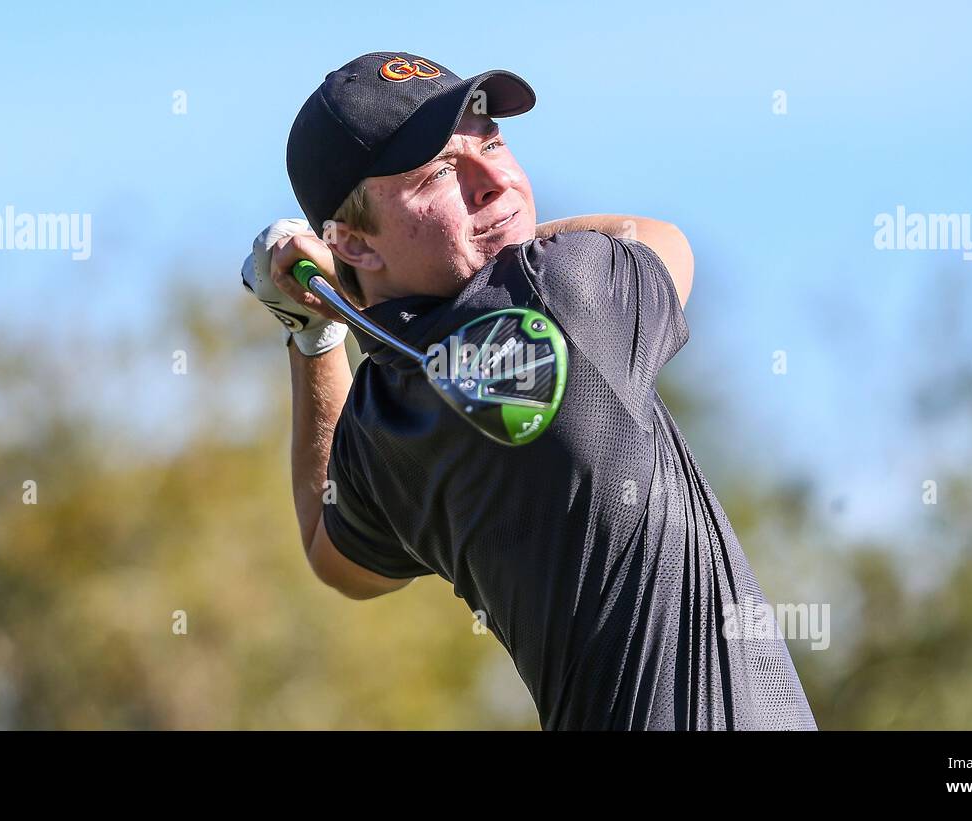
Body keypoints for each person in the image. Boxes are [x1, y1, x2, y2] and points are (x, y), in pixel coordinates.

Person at [242, 51, 817, 730]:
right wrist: (512, 248)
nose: (496, 182)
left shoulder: (378, 417)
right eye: (439, 173)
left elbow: (332, 555)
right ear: (355, 244)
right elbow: (666, 242)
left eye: (492, 143)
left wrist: (315, 333)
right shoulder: (561, 293)